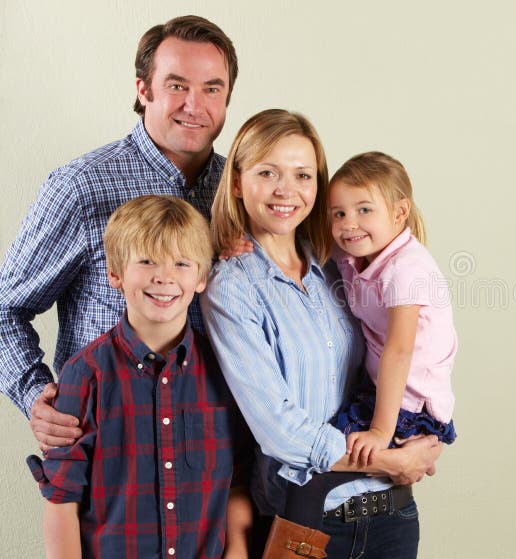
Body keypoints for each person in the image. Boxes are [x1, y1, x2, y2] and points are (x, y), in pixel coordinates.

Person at [201, 109, 441, 559]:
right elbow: (280, 431)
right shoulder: (231, 287)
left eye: (302, 175)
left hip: (393, 516)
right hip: (310, 521)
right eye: (267, 172)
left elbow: (403, 348)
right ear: (236, 181)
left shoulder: (339, 265)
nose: (285, 190)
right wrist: (392, 459)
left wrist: (426, 434)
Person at [0, 15, 238, 451]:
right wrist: (36, 397)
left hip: (217, 460)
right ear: (143, 89)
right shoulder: (81, 187)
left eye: (212, 88)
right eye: (177, 85)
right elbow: (4, 310)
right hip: (109, 454)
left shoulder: (240, 193)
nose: (195, 104)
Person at [26, 195, 253, 559]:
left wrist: (238, 551)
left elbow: (238, 478)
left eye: (181, 263)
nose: (163, 277)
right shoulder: (86, 375)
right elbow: (61, 499)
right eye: (147, 261)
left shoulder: (225, 370)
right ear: (115, 274)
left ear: (201, 278)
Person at [326, 151, 457, 468]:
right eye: (338, 214)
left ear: (399, 212)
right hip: (382, 390)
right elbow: (294, 239)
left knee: (329, 451)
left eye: (364, 210)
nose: (349, 224)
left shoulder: (406, 268)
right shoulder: (355, 255)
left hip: (411, 405)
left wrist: (381, 431)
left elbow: (399, 350)